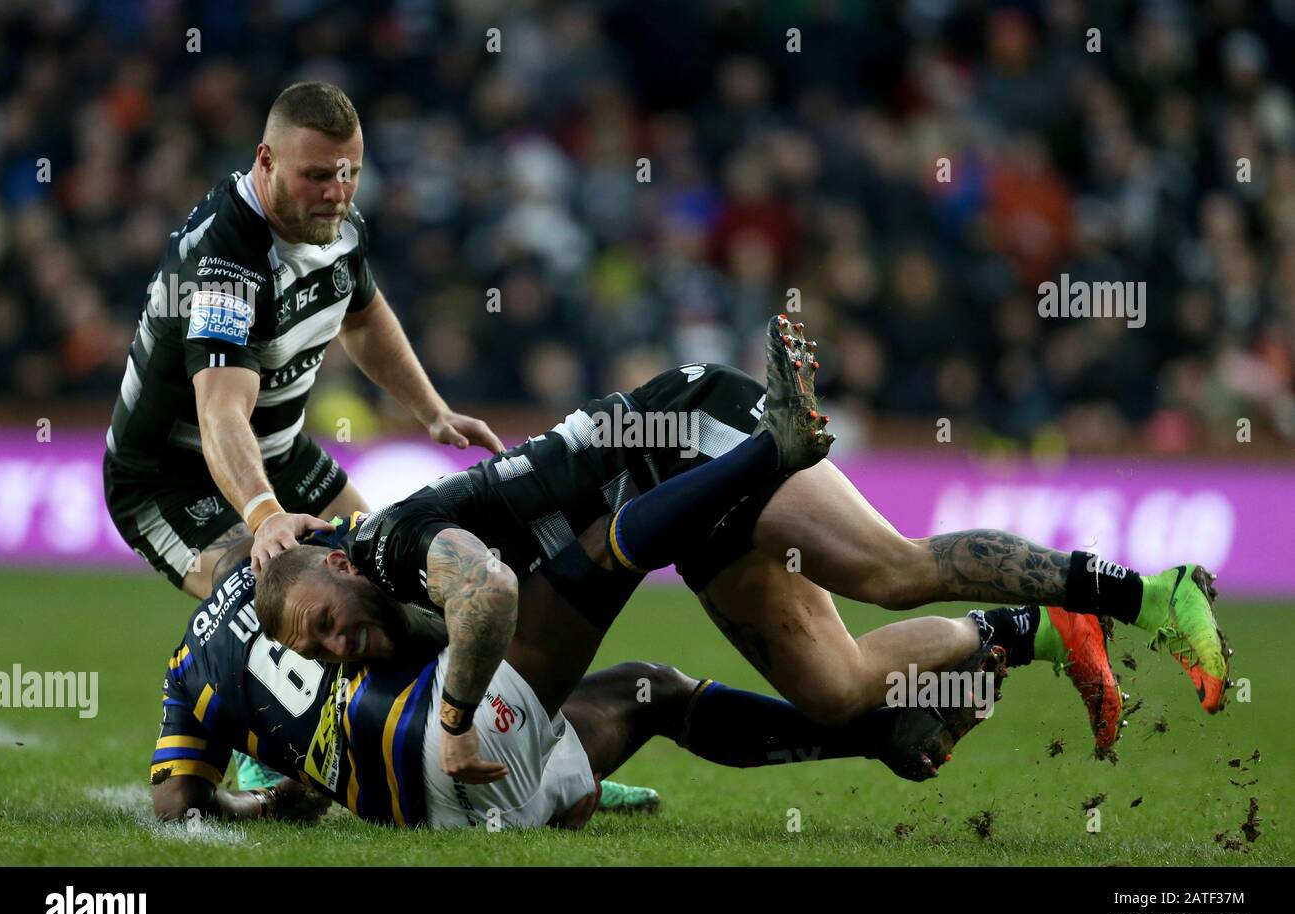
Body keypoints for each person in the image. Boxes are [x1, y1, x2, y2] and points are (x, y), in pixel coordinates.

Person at [257, 316, 1148, 779]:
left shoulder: (393, 547)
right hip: (666, 521)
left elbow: (486, 592)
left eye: (325, 626)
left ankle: (1114, 591)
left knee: (892, 570)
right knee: (837, 691)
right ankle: (1024, 630)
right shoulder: (373, 612)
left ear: (338, 566)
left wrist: (452, 732)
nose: (340, 647)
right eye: (320, 650)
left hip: (684, 437)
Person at [102, 80, 502, 788]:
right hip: (169, 483)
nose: (337, 192)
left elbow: (363, 315)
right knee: (279, 603)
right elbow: (220, 411)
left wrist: (431, 409)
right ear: (266, 161)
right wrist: (262, 519)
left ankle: (516, 744)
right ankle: (272, 759)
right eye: (317, 175)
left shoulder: (338, 222)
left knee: (398, 583)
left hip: (281, 452)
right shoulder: (225, 261)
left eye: (349, 173)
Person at [149, 542, 1013, 829]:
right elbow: (449, 595)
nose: (332, 643)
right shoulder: (332, 559)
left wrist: (276, 798)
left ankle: (882, 736)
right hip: (457, 740)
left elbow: (178, 808)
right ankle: (687, 468)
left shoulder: (188, 673)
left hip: (432, 790)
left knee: (646, 691)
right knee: (634, 640)